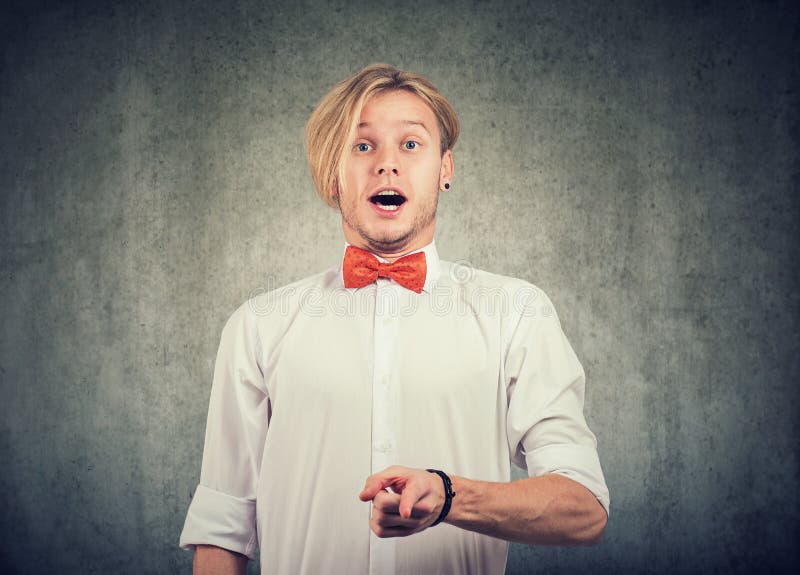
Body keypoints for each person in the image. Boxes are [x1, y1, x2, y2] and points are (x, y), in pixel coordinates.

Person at [179, 63, 609, 575]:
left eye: (411, 144)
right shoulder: (257, 327)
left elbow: (583, 508)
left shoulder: (516, 313)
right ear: (331, 173)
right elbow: (223, 526)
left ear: (445, 168)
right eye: (362, 146)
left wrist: (450, 497)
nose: (387, 165)